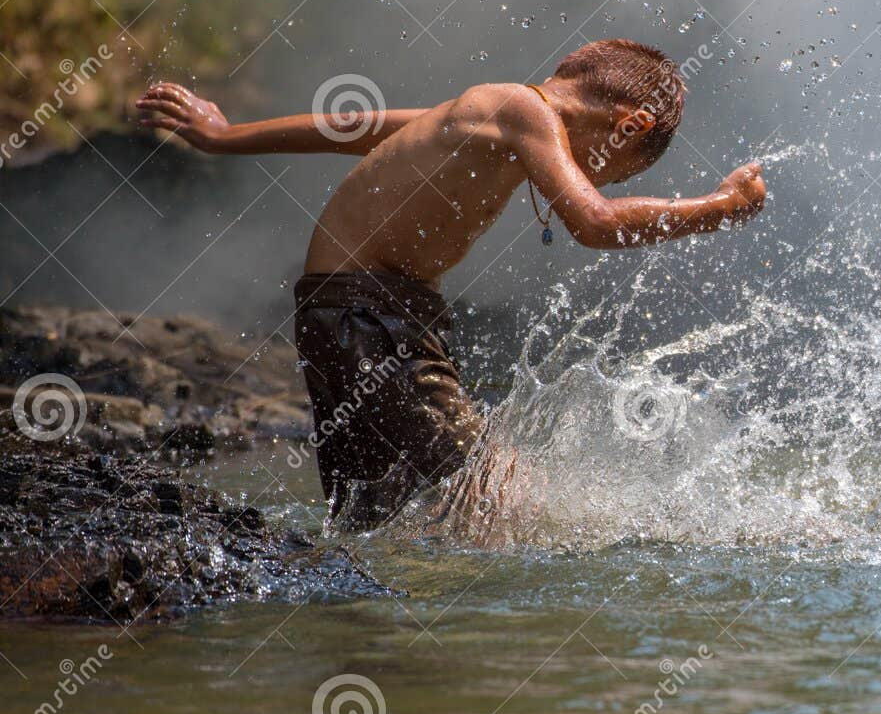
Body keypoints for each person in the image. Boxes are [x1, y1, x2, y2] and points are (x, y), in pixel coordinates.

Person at [137, 39, 766, 530]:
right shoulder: (523, 111)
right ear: (630, 122)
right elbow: (595, 223)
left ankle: (382, 650)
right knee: (497, 495)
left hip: (354, 313)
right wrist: (719, 207)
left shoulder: (487, 108)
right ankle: (497, 659)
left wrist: (225, 137)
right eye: (615, 167)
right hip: (370, 314)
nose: (595, 178)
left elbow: (355, 126)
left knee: (373, 515)